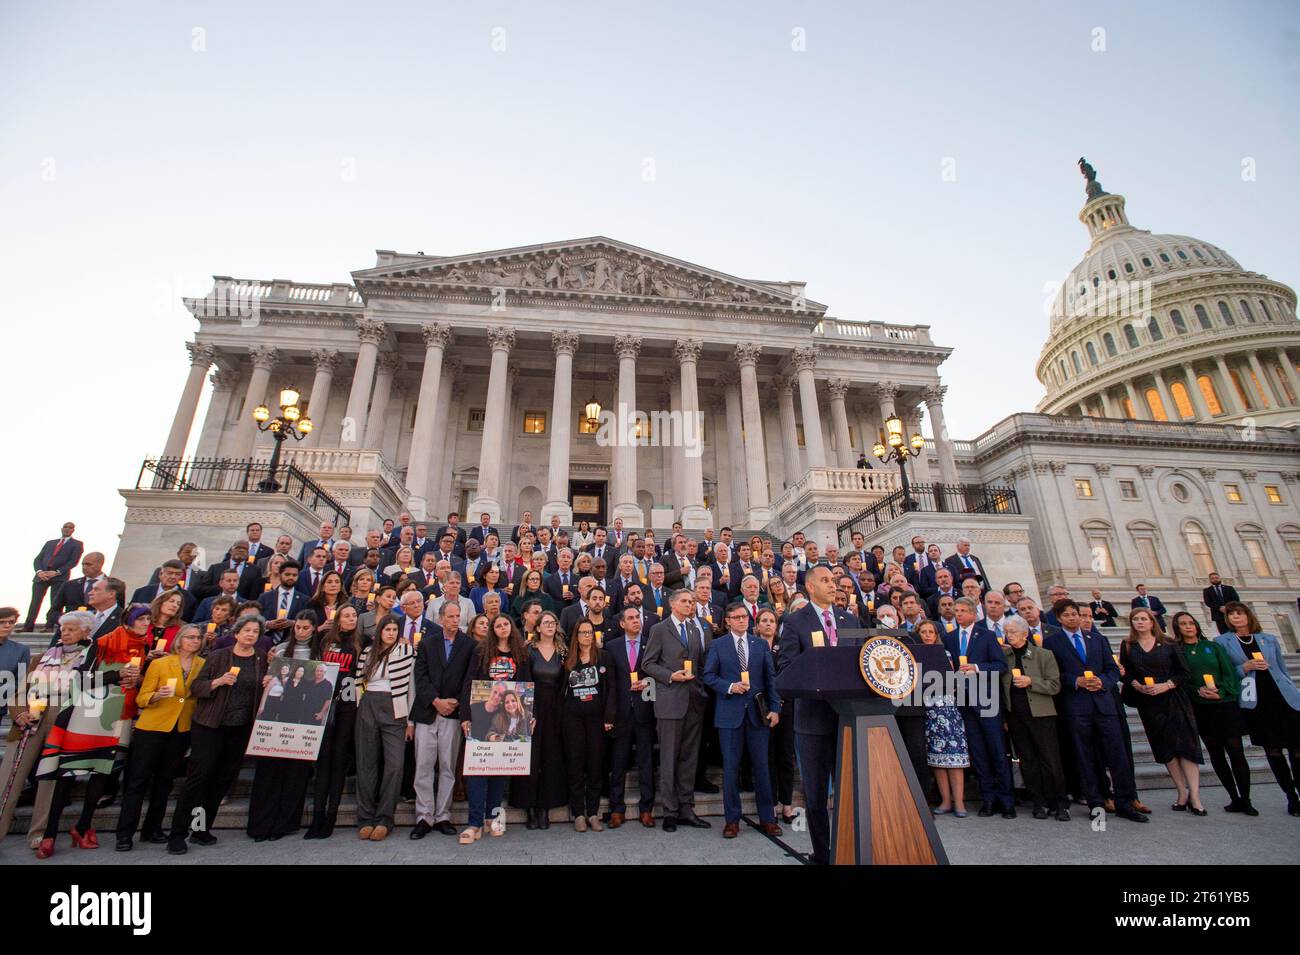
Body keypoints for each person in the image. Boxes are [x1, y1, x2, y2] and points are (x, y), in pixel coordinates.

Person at [33, 606, 149, 859]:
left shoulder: (146, 647)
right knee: (68, 772)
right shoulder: (103, 642)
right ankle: (50, 833)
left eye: (149, 619)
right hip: (90, 712)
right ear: (128, 620)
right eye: (141, 618)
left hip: (121, 714)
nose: (146, 622)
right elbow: (82, 678)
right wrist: (116, 674)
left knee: (102, 772)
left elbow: (142, 680)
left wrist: (136, 681)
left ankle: (83, 826)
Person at [775, 564, 861, 864]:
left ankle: (851, 846)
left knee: (851, 790)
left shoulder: (849, 619)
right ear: (810, 587)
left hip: (848, 720)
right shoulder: (795, 622)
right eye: (825, 580)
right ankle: (823, 853)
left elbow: (860, 663)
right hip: (812, 721)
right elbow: (786, 669)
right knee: (815, 796)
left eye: (833, 580)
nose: (833, 585)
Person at [166, 614, 268, 854]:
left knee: (222, 778)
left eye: (255, 631)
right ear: (236, 633)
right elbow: (196, 687)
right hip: (211, 725)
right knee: (199, 777)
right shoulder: (217, 656)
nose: (251, 634)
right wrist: (218, 682)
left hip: (240, 727)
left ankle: (201, 828)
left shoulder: (261, 660)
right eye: (247, 630)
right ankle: (178, 833)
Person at [1044, 599, 1148, 823]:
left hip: (1103, 704)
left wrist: (1102, 681)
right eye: (1068, 615)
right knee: (1085, 756)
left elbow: (1112, 669)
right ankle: (1096, 801)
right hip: (1076, 706)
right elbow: (1054, 674)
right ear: (1059, 618)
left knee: (1117, 754)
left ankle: (1125, 801)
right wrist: (1076, 681)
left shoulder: (1097, 639)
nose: (1073, 618)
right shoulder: (1052, 642)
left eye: (1075, 614)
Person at [0, 612, 92, 848]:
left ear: (86, 632)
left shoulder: (90, 660)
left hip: (65, 719)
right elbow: (19, 692)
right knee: (9, 777)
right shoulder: (41, 658)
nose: (65, 632)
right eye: (64, 628)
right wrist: (19, 713)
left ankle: (38, 833)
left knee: (49, 778)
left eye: (72, 629)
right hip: (31, 717)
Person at [115, 623, 205, 851]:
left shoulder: (203, 665)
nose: (195, 641)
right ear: (180, 640)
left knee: (164, 782)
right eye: (190, 637)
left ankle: (152, 828)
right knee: (138, 780)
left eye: (198, 638)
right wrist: (156, 695)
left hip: (181, 729)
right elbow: (141, 698)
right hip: (153, 727)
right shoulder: (160, 663)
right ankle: (125, 833)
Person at [704, 602, 782, 838]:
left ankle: (768, 818)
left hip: (758, 715)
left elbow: (771, 679)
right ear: (727, 621)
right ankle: (732, 820)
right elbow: (708, 675)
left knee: (762, 767)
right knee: (730, 769)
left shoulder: (759, 645)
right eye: (736, 617)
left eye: (744, 617)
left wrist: (775, 708)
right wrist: (729, 686)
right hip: (729, 715)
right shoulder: (718, 645)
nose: (741, 620)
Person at [1215, 601, 1300, 817]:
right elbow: (1224, 672)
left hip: (1283, 698)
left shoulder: (1268, 639)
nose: (1236, 617)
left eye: (1240, 613)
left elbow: (1282, 669)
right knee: (1273, 750)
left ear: (1248, 616)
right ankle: (1291, 797)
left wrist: (1294, 693)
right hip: (1255, 701)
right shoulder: (1223, 642)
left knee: (1297, 749)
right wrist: (1244, 667)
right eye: (1232, 614)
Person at [245, 610, 321, 841]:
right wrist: (268, 680)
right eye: (298, 627)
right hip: (276, 713)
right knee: (268, 770)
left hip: (302, 715)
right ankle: (261, 822)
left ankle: (285, 822)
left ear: (314, 629)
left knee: (295, 771)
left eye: (306, 628)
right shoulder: (280, 650)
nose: (301, 631)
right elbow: (270, 678)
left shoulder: (318, 652)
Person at [1121, 607, 1206, 814]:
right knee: (1165, 748)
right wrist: (1137, 686)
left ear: (1152, 622)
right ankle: (1181, 791)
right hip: (1149, 702)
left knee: (1185, 746)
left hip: (1173, 698)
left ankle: (1195, 794)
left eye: (1143, 619)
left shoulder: (1168, 642)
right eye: (1135, 619)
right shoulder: (1129, 645)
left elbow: (1183, 672)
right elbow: (1126, 673)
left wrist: (1166, 685)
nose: (1139, 622)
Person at [642, 587, 713, 832]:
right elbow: (648, 663)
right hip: (670, 701)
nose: (690, 605)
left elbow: (701, 664)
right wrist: (670, 676)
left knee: (689, 759)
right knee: (669, 758)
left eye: (692, 602)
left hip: (693, 701)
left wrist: (701, 690)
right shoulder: (659, 630)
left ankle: (686, 808)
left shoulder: (695, 629)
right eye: (685, 601)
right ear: (672, 604)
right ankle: (670, 812)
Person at [458, 615, 532, 843]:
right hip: (481, 716)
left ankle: (493, 818)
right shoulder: (481, 652)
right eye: (498, 625)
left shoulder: (521, 653)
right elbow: (469, 683)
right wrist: (465, 715)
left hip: (507, 717)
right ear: (493, 629)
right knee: (478, 770)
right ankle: (474, 822)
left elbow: (528, 686)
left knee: (499, 770)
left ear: (512, 627)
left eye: (506, 624)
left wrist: (530, 716)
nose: (502, 628)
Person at [1173, 611, 1254, 815]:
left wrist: (1223, 691)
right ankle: (1233, 797)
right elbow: (1181, 680)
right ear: (1177, 628)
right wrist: (1197, 691)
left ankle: (1246, 799)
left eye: (1191, 623)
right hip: (1200, 707)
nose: (1188, 627)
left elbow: (1229, 672)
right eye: (1183, 624)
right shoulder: (1178, 651)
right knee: (1216, 754)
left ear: (1197, 626)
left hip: (1224, 704)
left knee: (1236, 752)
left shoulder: (1213, 646)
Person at [943, 597, 1014, 817]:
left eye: (963, 610)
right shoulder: (950, 638)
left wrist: (976, 667)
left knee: (997, 751)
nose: (959, 614)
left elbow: (1000, 666)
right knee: (978, 753)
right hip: (964, 702)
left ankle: (1007, 800)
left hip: (987, 701)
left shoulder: (987, 636)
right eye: (956, 611)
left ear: (974, 613)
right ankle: (988, 798)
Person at [410, 601, 474, 838]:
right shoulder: (428, 643)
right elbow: (421, 676)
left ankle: (443, 815)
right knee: (424, 765)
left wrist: (455, 701)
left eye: (458, 616)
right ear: (441, 618)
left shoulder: (469, 645)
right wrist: (436, 701)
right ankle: (424, 816)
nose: (455, 620)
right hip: (428, 712)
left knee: (447, 766)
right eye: (451, 616)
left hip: (454, 712)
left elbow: (469, 678)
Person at [355, 614, 416, 841]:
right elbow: (358, 683)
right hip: (368, 705)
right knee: (366, 763)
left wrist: (410, 721)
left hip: (395, 708)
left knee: (394, 765)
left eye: (394, 629)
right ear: (379, 631)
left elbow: (412, 688)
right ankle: (365, 817)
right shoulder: (367, 653)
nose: (390, 633)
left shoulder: (406, 652)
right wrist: (360, 707)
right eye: (386, 629)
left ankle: (384, 818)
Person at [1000, 616, 1068, 821]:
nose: (1008, 635)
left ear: (1023, 632)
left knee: (1050, 759)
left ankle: (1059, 803)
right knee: (1027, 760)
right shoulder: (1005, 656)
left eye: (1012, 631)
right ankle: (1038, 801)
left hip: (1041, 713)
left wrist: (1032, 681)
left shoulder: (1044, 655)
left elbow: (1055, 685)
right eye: (1007, 632)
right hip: (1016, 714)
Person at [304, 603, 363, 838]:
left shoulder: (362, 642)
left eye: (354, 616)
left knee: (339, 759)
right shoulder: (324, 640)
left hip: (348, 705)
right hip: (323, 703)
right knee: (323, 760)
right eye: (346, 616)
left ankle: (331, 816)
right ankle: (317, 815)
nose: (351, 619)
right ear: (338, 619)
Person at [605, 605, 656, 828]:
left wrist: (648, 683)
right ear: (622, 624)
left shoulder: (651, 642)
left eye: (638, 617)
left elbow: (658, 673)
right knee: (619, 762)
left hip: (645, 711)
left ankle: (647, 808)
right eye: (631, 618)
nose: (636, 621)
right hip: (621, 713)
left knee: (646, 762)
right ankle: (617, 808)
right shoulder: (612, 647)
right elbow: (610, 684)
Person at [562, 619, 616, 831]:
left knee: (595, 765)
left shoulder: (604, 657)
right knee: (575, 764)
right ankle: (578, 814)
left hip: (596, 720)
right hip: (572, 719)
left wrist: (609, 717)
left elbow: (611, 690)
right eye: (582, 632)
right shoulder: (568, 659)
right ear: (576, 636)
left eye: (589, 632)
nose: (586, 636)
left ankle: (593, 813)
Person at [516, 610, 568, 828]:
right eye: (545, 622)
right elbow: (523, 682)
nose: (550, 625)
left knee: (550, 758)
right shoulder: (528, 651)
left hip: (555, 710)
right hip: (532, 709)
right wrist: (529, 713)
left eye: (553, 622)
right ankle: (529, 808)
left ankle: (544, 808)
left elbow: (564, 684)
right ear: (536, 628)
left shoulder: (563, 652)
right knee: (530, 759)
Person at [915, 619, 968, 817]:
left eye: (931, 632)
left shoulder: (944, 654)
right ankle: (945, 800)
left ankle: (959, 801)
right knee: (937, 758)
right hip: (928, 709)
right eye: (923, 632)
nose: (927, 635)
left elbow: (955, 679)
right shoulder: (915, 656)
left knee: (954, 756)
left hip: (948, 707)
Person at [25, 522, 84, 632]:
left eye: (70, 528)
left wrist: (57, 572)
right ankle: (28, 626)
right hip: (41, 576)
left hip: (59, 577)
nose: (67, 529)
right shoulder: (50, 543)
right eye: (65, 527)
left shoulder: (77, 544)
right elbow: (38, 559)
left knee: (55, 603)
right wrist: (39, 572)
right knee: (35, 601)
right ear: (62, 528)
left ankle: (49, 626)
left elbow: (73, 561)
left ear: (73, 530)